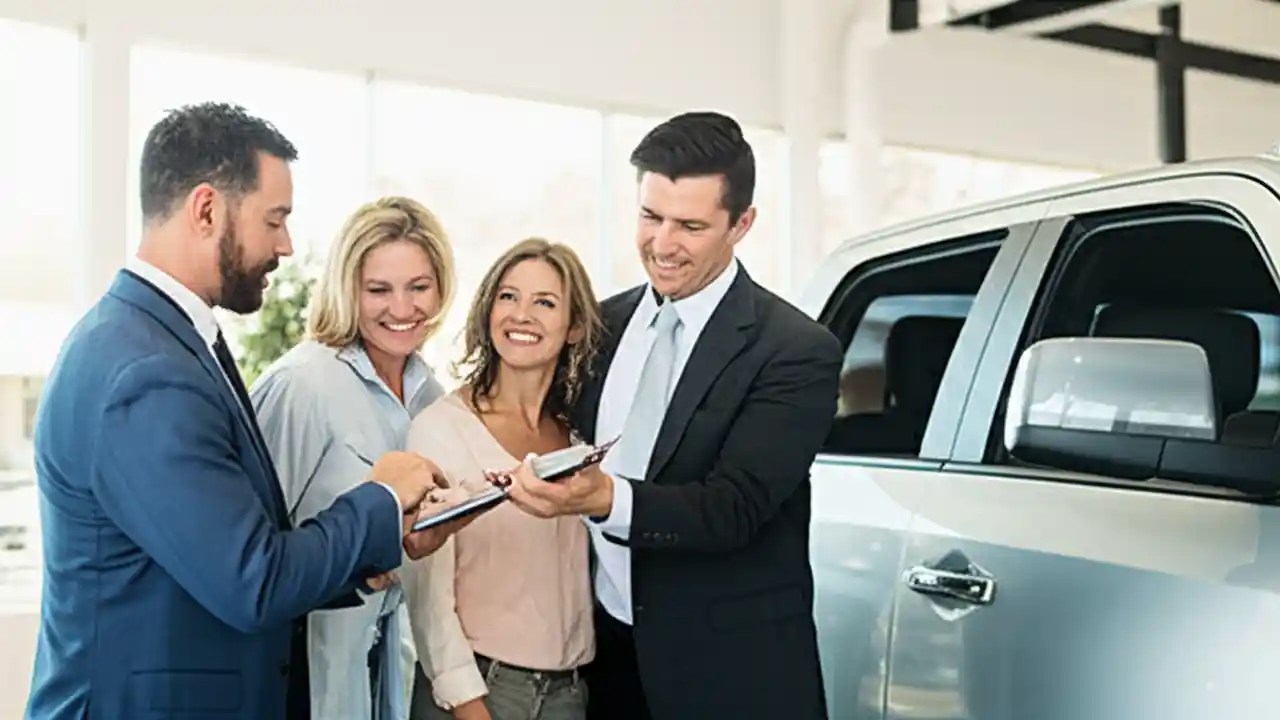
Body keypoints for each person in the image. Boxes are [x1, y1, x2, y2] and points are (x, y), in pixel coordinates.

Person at [25, 102, 459, 720]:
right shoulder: (146, 372)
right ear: (207, 210)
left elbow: (224, 553)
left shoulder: (171, 340)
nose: (285, 245)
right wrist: (382, 499)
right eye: (273, 220)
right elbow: (253, 580)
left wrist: (371, 562)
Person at [501, 112, 843, 719]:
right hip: (606, 663)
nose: (661, 245)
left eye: (689, 225)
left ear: (742, 224)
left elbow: (733, 507)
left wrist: (604, 498)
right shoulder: (599, 325)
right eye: (650, 216)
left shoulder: (795, 350)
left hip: (732, 676)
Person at [250, 195, 461, 720]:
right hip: (304, 685)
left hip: (388, 679)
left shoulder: (431, 397)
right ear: (348, 290)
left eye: (419, 287)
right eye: (379, 290)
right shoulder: (302, 386)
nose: (403, 308)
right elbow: (252, 556)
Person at [403, 238, 603, 720]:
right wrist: (471, 707)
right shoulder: (441, 428)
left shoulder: (579, 438)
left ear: (575, 327)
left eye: (545, 302)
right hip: (479, 692)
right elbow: (428, 599)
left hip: (569, 694)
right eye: (508, 297)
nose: (521, 315)